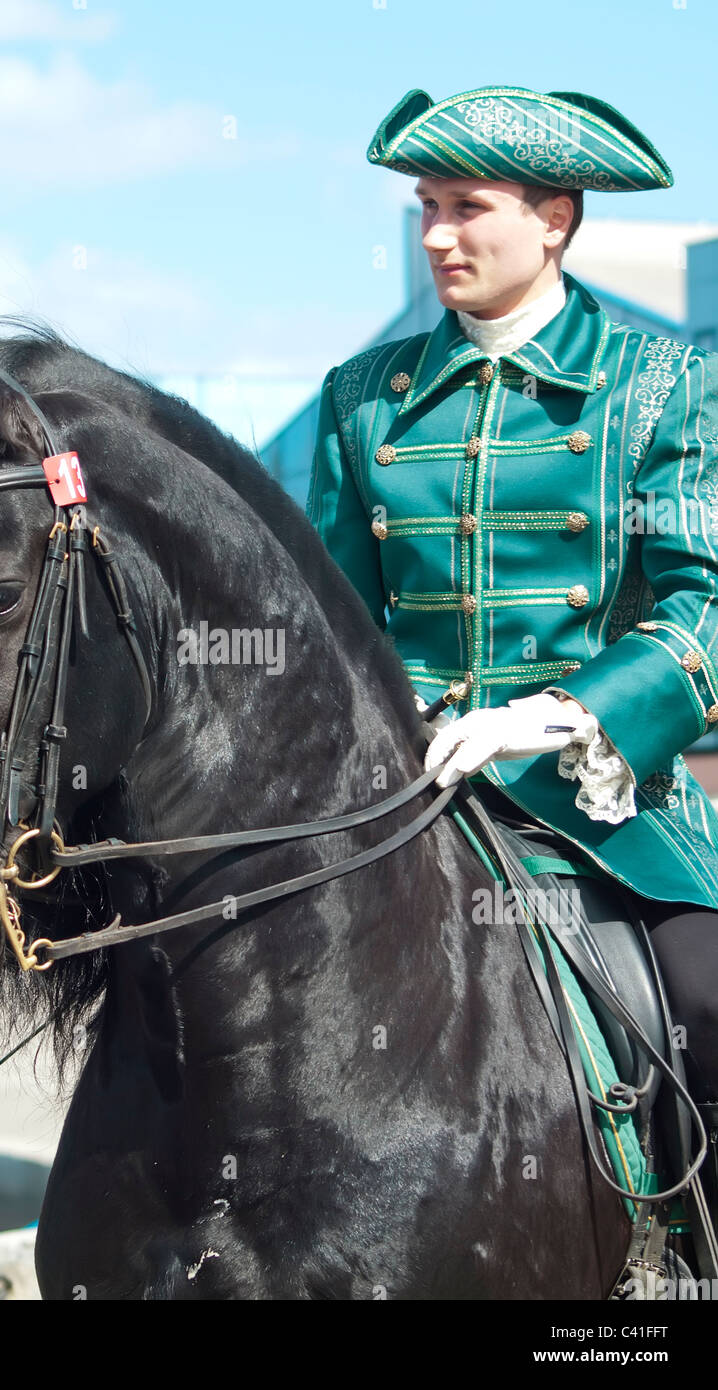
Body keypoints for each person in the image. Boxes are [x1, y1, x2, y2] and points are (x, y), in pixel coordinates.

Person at [305, 85, 718, 1214]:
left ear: (554, 218)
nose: (435, 234)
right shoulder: (360, 399)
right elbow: (335, 623)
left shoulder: (664, 382)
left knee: (712, 999)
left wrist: (561, 714)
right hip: (406, 792)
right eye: (424, 206)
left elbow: (704, 611)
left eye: (464, 206)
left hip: (609, 810)